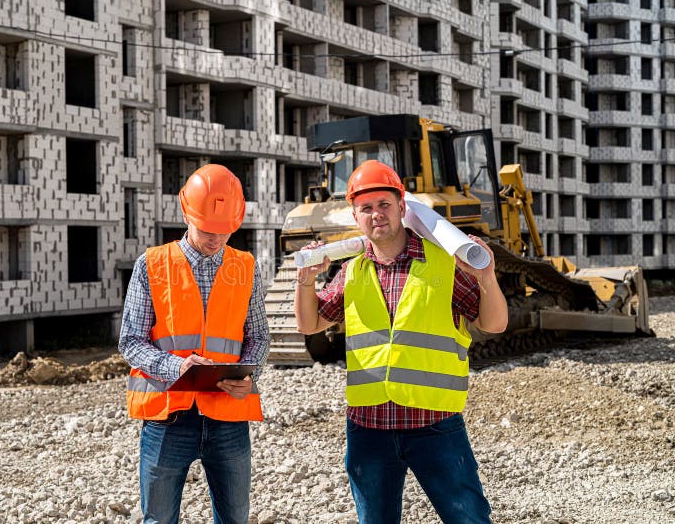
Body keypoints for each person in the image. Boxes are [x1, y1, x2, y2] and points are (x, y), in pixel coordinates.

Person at [294, 159, 508, 524]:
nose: (376, 215)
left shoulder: (444, 262)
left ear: (402, 208)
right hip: (369, 427)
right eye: (366, 208)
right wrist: (304, 280)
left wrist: (487, 279)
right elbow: (310, 324)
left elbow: (494, 323)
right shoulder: (352, 269)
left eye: (384, 205)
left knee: (469, 519)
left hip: (435, 425)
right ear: (355, 217)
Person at [119, 164, 269, 524]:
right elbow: (131, 340)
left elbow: (259, 337)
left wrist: (249, 374)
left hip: (228, 417)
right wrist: (177, 367)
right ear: (187, 213)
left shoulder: (246, 266)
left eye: (225, 230)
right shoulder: (151, 264)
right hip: (169, 416)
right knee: (158, 520)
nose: (216, 238)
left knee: (235, 519)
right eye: (207, 229)